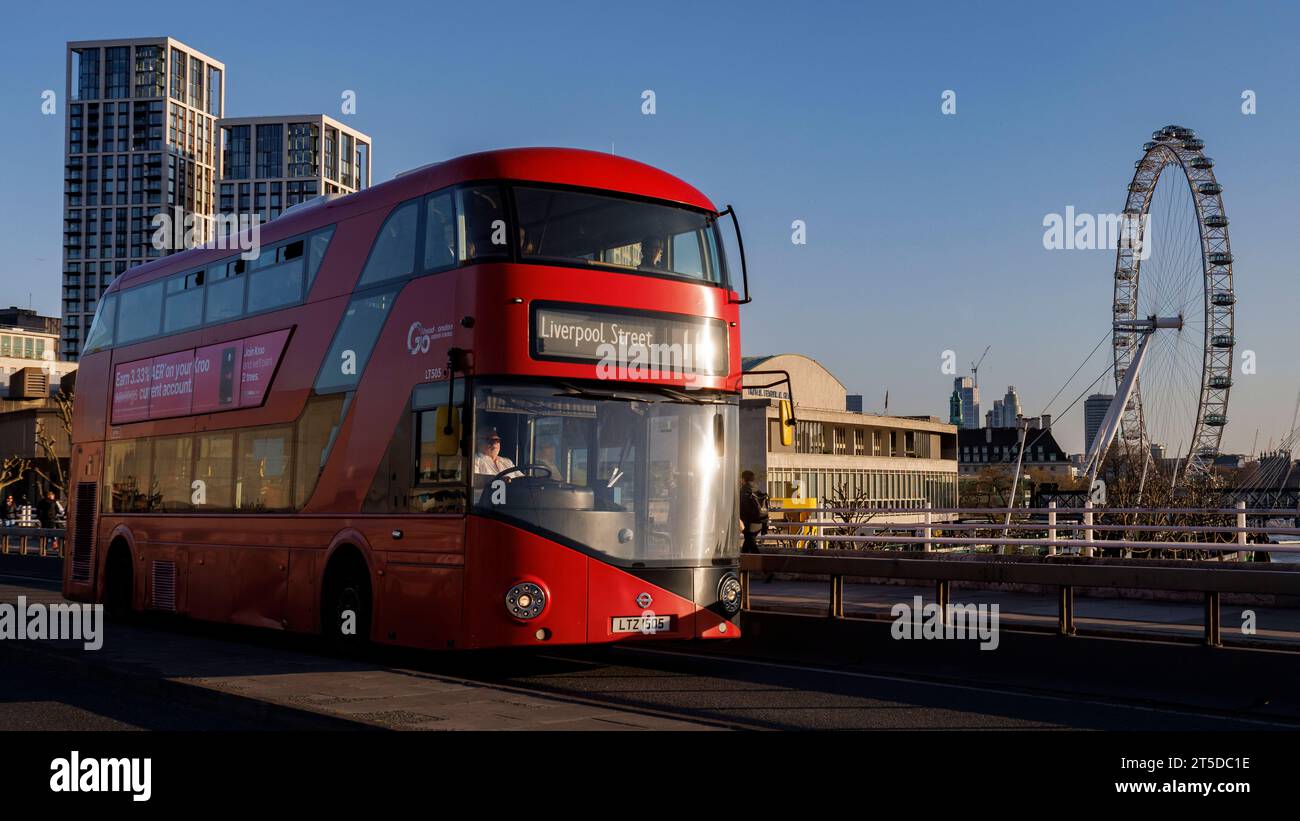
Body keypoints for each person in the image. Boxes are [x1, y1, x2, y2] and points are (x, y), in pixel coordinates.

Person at [739, 470, 769, 554]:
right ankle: (744, 563)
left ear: (743, 479)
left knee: (751, 544)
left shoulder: (744, 491)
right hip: (761, 521)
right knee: (748, 543)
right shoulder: (757, 490)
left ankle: (760, 563)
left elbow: (740, 507)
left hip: (750, 523)